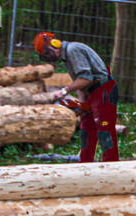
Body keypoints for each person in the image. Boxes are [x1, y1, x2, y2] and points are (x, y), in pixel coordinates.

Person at [32, 31, 120, 163]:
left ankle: (112, 164)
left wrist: (64, 91)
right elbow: (79, 81)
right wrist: (82, 104)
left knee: (104, 127)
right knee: (86, 127)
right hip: (91, 92)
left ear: (54, 45)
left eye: (48, 53)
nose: (49, 57)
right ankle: (84, 163)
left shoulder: (73, 50)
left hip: (103, 89)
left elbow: (85, 78)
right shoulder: (66, 57)